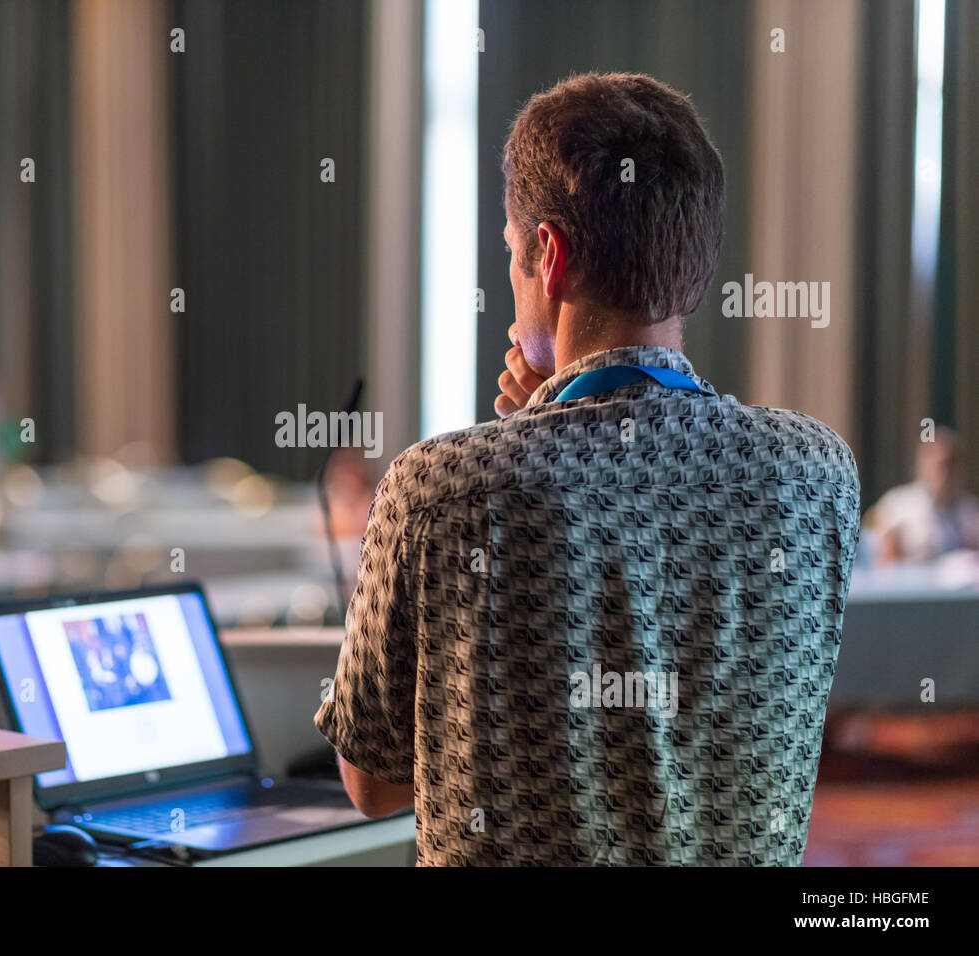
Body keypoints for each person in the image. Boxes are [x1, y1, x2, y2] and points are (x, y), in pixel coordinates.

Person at [314, 73, 861, 866]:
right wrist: (559, 414)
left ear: (550, 254)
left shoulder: (442, 490)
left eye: (511, 253)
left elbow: (374, 784)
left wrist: (546, 426)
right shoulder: (816, 475)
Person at [872, 428, 979, 563]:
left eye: (952, 466)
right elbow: (885, 567)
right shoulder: (896, 507)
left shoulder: (971, 511)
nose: (945, 475)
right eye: (940, 465)